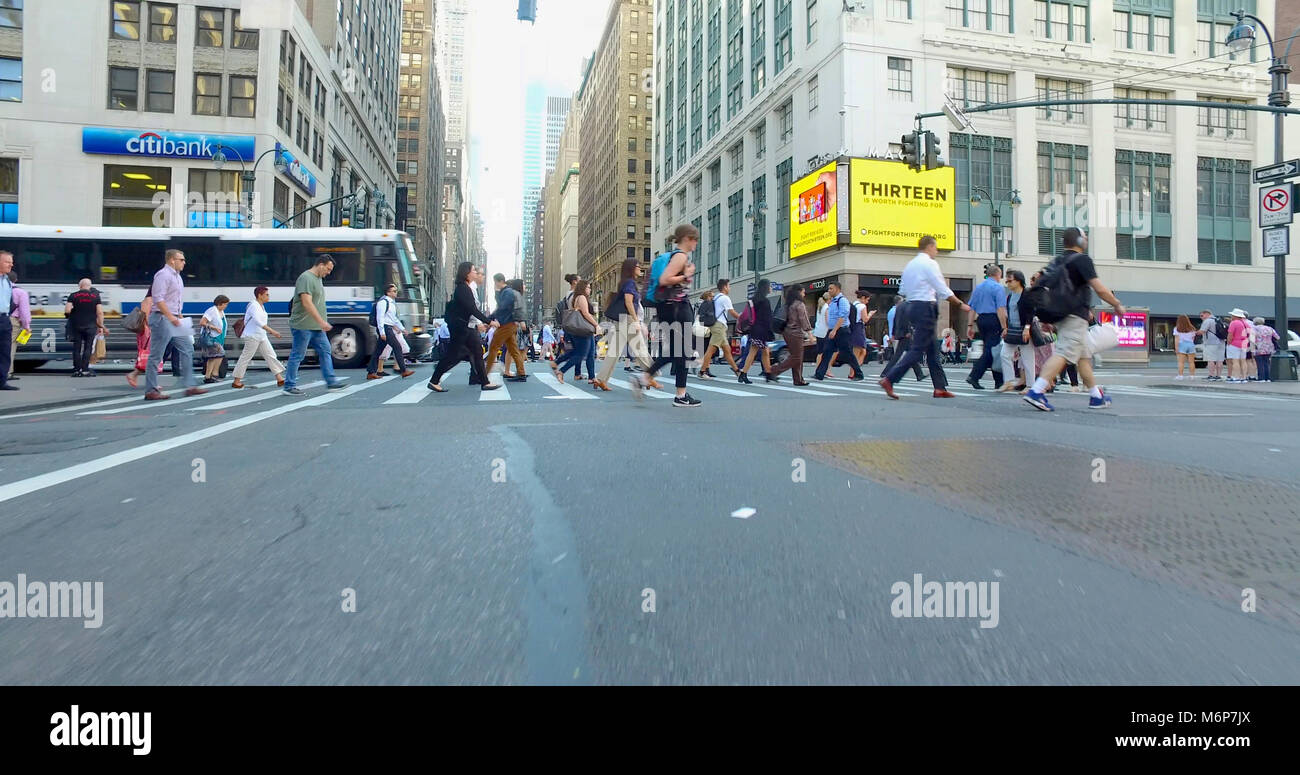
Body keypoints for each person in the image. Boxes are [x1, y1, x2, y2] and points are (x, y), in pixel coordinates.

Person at [1023, 228, 1126, 412]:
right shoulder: (1082, 260)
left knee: (1083, 355)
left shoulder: (1057, 261)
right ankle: (1037, 391)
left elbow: (1040, 286)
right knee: (1063, 353)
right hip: (1075, 315)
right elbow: (1099, 288)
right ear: (1079, 241)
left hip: (1059, 315)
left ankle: (1096, 396)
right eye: (1085, 237)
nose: (1086, 240)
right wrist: (1116, 304)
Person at [879, 236, 972, 399]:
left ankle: (939, 387)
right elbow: (942, 288)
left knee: (932, 349)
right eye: (935, 248)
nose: (936, 252)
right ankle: (890, 378)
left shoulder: (910, 265)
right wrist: (960, 304)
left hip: (912, 305)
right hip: (925, 307)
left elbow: (902, 290)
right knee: (918, 348)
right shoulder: (929, 263)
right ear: (929, 247)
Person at [640, 224, 702, 407]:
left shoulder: (677, 256)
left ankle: (645, 379)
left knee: (677, 351)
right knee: (681, 351)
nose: (696, 243)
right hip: (676, 308)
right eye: (695, 239)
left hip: (670, 308)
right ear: (687, 239)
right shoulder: (681, 256)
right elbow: (664, 279)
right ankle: (679, 395)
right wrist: (686, 275)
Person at [428, 263, 499, 393]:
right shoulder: (462, 289)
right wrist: (489, 321)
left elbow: (472, 309)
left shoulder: (465, 288)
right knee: (453, 355)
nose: (475, 273)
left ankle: (485, 382)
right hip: (460, 328)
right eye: (473, 271)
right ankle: (434, 380)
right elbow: (472, 309)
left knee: (477, 352)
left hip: (466, 327)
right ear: (466, 273)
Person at [144, 249, 205, 400]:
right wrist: (171, 317)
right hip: (162, 318)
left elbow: (174, 300)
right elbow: (158, 299)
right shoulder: (162, 275)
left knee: (187, 349)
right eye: (181, 260)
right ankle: (151, 390)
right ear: (172, 260)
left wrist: (179, 315)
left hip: (174, 317)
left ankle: (190, 386)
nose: (184, 262)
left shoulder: (178, 277)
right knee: (156, 355)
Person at [283, 254, 347, 396]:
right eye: (328, 269)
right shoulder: (306, 278)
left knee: (325, 351)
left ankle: (331, 382)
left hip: (316, 327)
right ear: (321, 264)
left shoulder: (318, 279)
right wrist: (322, 321)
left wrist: (320, 323)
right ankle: (289, 386)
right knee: (298, 355)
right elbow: (307, 302)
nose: (328, 273)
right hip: (303, 325)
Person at [595, 258, 656, 390]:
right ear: (631, 268)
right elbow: (629, 302)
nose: (640, 269)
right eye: (638, 266)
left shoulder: (625, 282)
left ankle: (601, 379)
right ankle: (651, 376)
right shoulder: (629, 283)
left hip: (621, 320)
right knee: (640, 349)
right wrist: (636, 321)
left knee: (614, 352)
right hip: (628, 320)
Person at [231, 286, 286, 389]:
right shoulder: (253, 306)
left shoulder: (261, 306)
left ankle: (280, 378)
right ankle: (236, 381)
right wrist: (273, 332)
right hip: (252, 336)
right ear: (260, 295)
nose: (268, 296)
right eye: (266, 295)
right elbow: (259, 322)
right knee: (246, 358)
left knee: (270, 355)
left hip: (261, 335)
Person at [966, 264, 1007, 390]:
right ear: (998, 275)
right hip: (994, 319)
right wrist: (1004, 326)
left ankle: (998, 381)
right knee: (993, 350)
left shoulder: (979, 287)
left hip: (981, 319)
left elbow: (972, 308)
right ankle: (975, 375)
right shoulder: (998, 287)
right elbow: (1000, 308)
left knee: (991, 349)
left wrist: (970, 325)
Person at [550, 279, 599, 384]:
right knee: (581, 354)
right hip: (583, 329)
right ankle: (561, 371)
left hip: (584, 329)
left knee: (589, 353)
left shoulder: (578, 297)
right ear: (583, 288)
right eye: (588, 287)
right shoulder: (581, 297)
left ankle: (592, 377)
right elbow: (585, 313)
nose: (590, 290)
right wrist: (596, 325)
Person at [814, 281, 865, 382]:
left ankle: (858, 373)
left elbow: (843, 316)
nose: (829, 291)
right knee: (827, 352)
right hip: (833, 330)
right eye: (829, 289)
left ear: (837, 289)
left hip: (841, 331)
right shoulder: (833, 301)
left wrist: (834, 330)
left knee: (847, 353)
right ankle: (819, 373)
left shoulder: (842, 301)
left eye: (831, 288)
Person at [997, 269, 1036, 393]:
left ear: (1019, 281)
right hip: (1013, 329)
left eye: (1010, 281)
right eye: (1007, 281)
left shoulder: (1027, 294)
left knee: (1027, 358)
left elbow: (1030, 312)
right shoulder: (1010, 296)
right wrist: (1006, 328)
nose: (1008, 283)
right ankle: (1008, 381)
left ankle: (1030, 386)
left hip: (1024, 328)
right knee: (1004, 354)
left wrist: (1027, 328)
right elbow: (1010, 313)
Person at [366, 283, 415, 380]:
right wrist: (382, 332)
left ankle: (371, 372)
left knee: (378, 351)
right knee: (397, 347)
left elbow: (394, 319)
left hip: (388, 327)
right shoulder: (383, 302)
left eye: (396, 291)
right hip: (385, 328)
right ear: (388, 292)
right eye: (394, 291)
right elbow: (380, 318)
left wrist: (402, 329)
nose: (396, 293)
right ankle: (403, 370)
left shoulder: (391, 303)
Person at [483, 274, 527, 382]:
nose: (495, 284)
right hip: (509, 324)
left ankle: (484, 375)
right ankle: (521, 373)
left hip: (506, 324)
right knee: (514, 350)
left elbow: (501, 308)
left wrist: (489, 319)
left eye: (495, 282)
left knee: (493, 347)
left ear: (500, 281)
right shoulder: (506, 292)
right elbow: (500, 305)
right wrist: (497, 292)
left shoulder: (507, 292)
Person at [767, 284, 814, 385]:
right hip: (795, 332)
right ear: (799, 292)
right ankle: (773, 371)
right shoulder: (799, 304)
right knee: (797, 357)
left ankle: (798, 379)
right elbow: (804, 319)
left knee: (797, 356)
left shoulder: (789, 303)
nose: (804, 294)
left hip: (787, 332)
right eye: (803, 292)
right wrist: (810, 333)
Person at [699, 279, 741, 379]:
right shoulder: (725, 298)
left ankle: (737, 371)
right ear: (725, 287)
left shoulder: (717, 297)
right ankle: (702, 371)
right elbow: (732, 312)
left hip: (716, 325)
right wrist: (742, 318)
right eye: (729, 286)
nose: (729, 288)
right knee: (711, 349)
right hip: (719, 326)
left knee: (727, 350)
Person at [65, 278, 108, 378]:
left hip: (76, 325)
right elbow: (100, 312)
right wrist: (101, 326)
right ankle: (85, 370)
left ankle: (76, 370)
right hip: (91, 326)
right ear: (90, 286)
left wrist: (71, 316)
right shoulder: (95, 296)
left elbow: (67, 310)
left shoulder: (73, 295)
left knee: (77, 348)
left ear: (80, 286)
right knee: (88, 347)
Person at [738, 279, 775, 383]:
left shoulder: (755, 299)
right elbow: (767, 318)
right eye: (770, 286)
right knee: (755, 352)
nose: (771, 288)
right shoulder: (765, 301)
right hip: (761, 330)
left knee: (763, 352)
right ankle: (744, 374)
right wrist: (770, 331)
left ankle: (767, 373)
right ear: (766, 287)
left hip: (754, 329)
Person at [198, 294, 230, 384]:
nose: (226, 306)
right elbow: (202, 322)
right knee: (220, 354)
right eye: (225, 304)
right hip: (212, 337)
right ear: (220, 303)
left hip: (219, 337)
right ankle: (214, 374)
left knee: (212, 357)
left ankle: (208, 376)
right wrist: (214, 328)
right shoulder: (212, 311)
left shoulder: (221, 312)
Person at [7, 268, 29, 380]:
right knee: (10, 347)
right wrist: (27, 327)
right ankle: (7, 372)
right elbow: (24, 312)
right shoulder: (21, 292)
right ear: (16, 279)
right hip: (12, 321)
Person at [0, 250, 15, 391]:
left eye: (11, 262)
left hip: (4, 319)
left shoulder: (7, 280)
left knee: (5, 351)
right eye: (7, 262)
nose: (11, 264)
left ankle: (2, 381)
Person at [850, 288, 876, 369]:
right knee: (859, 351)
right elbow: (865, 319)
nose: (867, 302)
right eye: (867, 300)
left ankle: (855, 370)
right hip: (858, 328)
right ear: (863, 298)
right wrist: (870, 314)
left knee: (861, 351)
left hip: (853, 328)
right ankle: (854, 371)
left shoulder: (854, 304)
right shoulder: (862, 306)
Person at [1225, 308, 1252, 383]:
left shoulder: (1234, 323)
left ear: (1235, 315)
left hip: (1234, 343)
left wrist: (1228, 342)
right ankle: (1244, 377)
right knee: (1243, 361)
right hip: (1244, 344)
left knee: (1235, 361)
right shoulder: (1245, 323)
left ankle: (1236, 377)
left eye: (1232, 315)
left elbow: (1230, 334)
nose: (1231, 316)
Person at [1199, 309, 1225, 381]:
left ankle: (1211, 375)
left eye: (1202, 315)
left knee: (1211, 359)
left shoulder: (1207, 321)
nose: (1201, 317)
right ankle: (1218, 375)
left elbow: (1202, 331)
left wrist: (1195, 333)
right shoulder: (1218, 320)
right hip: (1221, 342)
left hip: (1211, 343)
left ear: (1207, 314)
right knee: (1220, 360)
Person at [1253, 316, 1280, 383]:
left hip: (1258, 348)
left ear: (1255, 322)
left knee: (1260, 363)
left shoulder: (1254, 329)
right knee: (1267, 362)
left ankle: (1261, 378)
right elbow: (1277, 337)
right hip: (1269, 347)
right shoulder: (1269, 328)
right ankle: (1267, 378)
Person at [1173, 314, 1198, 381]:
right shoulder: (1192, 328)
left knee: (1181, 362)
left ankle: (1180, 376)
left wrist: (1176, 348)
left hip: (1182, 344)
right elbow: (1193, 338)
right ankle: (1192, 376)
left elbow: (1177, 339)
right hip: (1190, 344)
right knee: (1191, 362)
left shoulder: (1177, 328)